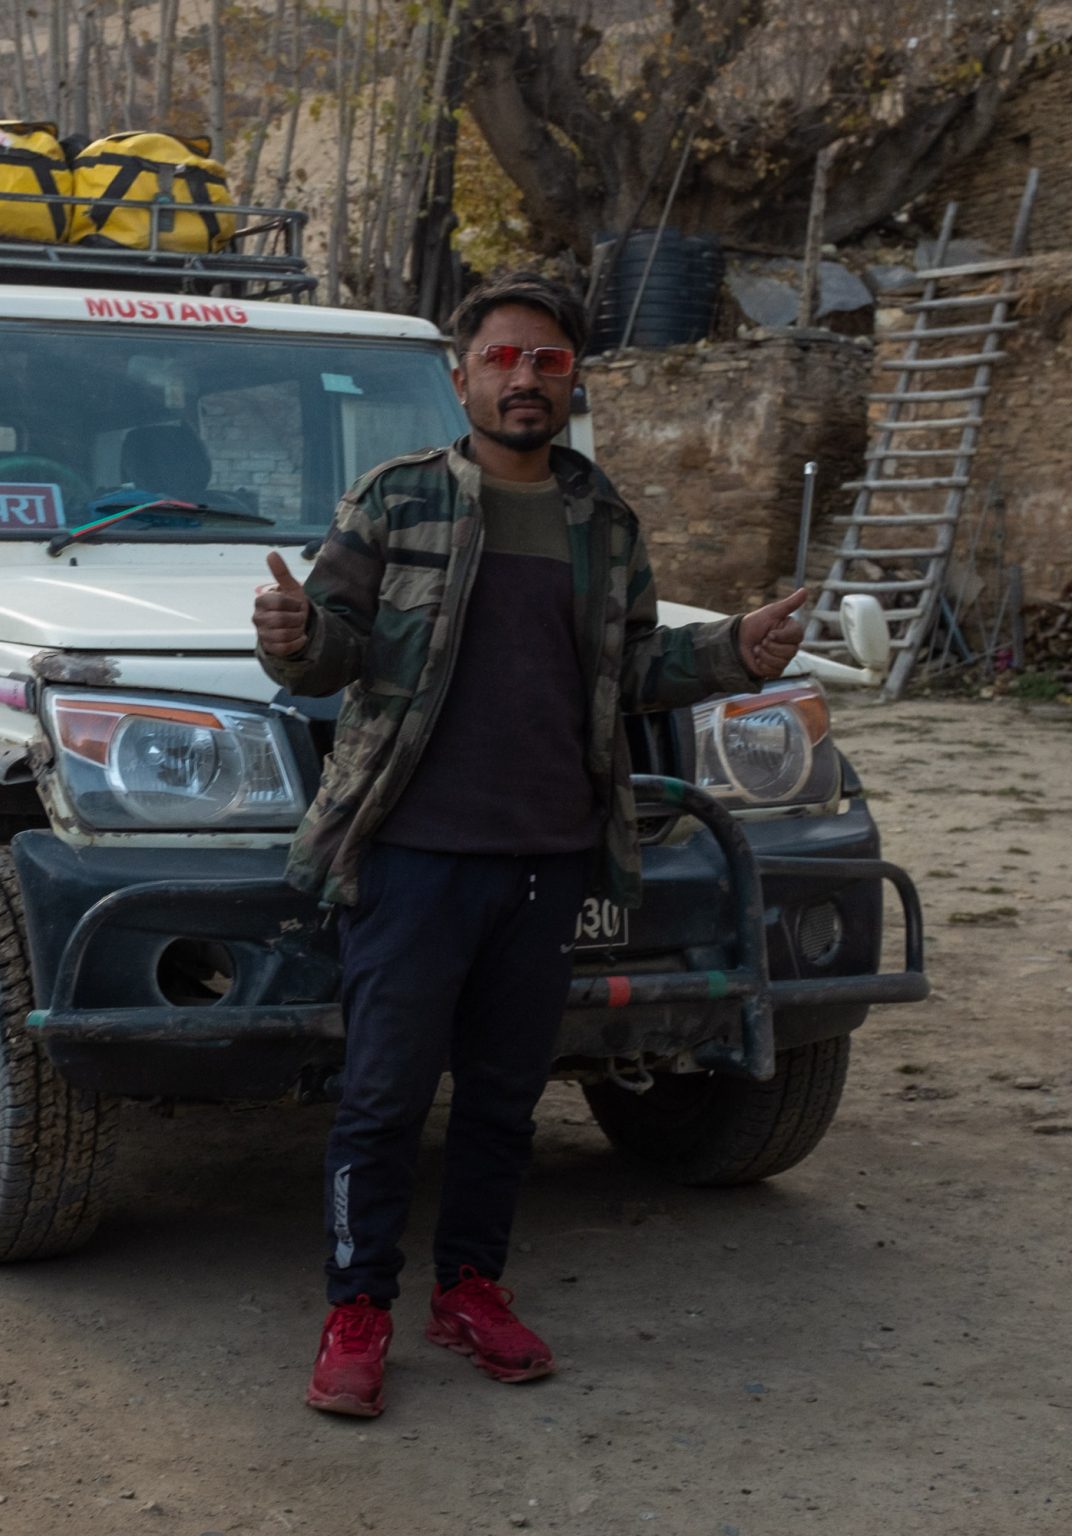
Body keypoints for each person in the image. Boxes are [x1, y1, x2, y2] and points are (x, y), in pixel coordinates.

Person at [251, 272, 808, 1418]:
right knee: (383, 1097)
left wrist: (735, 657)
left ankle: (471, 1291)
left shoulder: (604, 521)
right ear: (461, 378)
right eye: (502, 359)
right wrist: (292, 636)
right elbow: (328, 655)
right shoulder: (397, 500)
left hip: (551, 858)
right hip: (411, 852)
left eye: (546, 362)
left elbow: (638, 668)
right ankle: (358, 1312)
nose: (523, 379)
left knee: (507, 1099)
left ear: (572, 382)